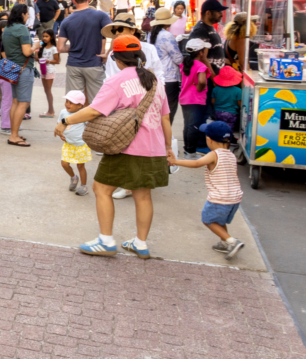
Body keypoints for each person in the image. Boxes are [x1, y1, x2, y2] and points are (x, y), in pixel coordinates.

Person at [56, 35, 173, 259]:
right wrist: (168, 147)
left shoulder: (117, 80)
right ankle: (140, 243)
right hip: (154, 147)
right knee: (143, 195)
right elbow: (165, 118)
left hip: (127, 146)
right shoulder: (154, 81)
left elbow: (94, 111)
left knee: (101, 189)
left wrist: (65, 122)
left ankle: (106, 241)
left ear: (116, 58)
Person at [169, 121, 245, 259]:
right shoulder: (231, 155)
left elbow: (197, 163)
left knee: (208, 220)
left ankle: (232, 241)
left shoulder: (215, 154)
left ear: (209, 140)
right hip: (234, 198)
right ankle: (224, 243)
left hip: (220, 198)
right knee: (219, 222)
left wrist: (175, 161)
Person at [58, 0, 112, 105]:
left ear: (73, 0)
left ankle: (76, 123)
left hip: (74, 64)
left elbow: (60, 48)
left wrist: (75, 47)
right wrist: (108, 53)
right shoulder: (100, 16)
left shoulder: (66, 21)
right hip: (94, 63)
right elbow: (116, 33)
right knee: (97, 103)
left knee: (74, 102)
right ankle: (93, 124)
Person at [2, 3, 35, 147]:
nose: (28, 16)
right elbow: (27, 52)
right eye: (27, 13)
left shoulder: (7, 28)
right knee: (23, 103)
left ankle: (13, 133)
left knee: (15, 102)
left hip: (12, 67)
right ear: (22, 14)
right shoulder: (22, 28)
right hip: (23, 68)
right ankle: (14, 136)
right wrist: (36, 46)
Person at [101, 14, 165, 84]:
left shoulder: (149, 49)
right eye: (114, 30)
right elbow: (109, 80)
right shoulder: (112, 55)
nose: (116, 33)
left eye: (120, 29)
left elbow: (159, 75)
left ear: (132, 30)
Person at [180, 38, 212, 160]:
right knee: (194, 126)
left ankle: (187, 150)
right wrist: (199, 88)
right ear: (200, 53)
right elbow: (202, 81)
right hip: (196, 100)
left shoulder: (185, 64)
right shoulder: (201, 66)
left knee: (187, 125)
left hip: (185, 99)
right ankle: (191, 152)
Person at [150, 8, 184, 124]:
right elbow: (178, 58)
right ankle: (166, 137)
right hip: (169, 78)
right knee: (169, 111)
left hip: (155, 77)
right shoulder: (167, 35)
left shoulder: (152, 34)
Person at [59, 90, 91, 196]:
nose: (67, 104)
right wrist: (61, 135)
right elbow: (60, 126)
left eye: (71, 102)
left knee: (80, 166)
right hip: (68, 144)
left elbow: (89, 127)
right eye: (67, 101)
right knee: (64, 164)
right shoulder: (63, 112)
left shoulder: (82, 115)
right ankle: (73, 178)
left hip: (81, 145)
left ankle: (84, 186)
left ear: (80, 106)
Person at [189, 0, 228, 73]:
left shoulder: (209, 27)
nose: (221, 14)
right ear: (208, 13)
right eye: (219, 12)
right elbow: (202, 58)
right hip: (208, 79)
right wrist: (213, 78)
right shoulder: (200, 30)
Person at [210, 66, 242, 131]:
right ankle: (227, 139)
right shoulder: (238, 90)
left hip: (218, 112)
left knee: (219, 129)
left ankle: (218, 140)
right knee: (228, 130)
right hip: (232, 113)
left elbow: (213, 101)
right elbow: (239, 104)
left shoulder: (215, 89)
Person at [0, 20, 12, 134]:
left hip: (4, 73)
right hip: (6, 73)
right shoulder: (2, 43)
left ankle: (9, 124)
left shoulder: (0, 42)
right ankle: (5, 126)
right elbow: (7, 59)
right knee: (7, 99)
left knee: (8, 99)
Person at [39, 29, 59, 118]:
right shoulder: (42, 47)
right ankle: (50, 110)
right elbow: (37, 58)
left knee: (48, 90)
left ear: (51, 37)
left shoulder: (54, 48)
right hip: (43, 69)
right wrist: (37, 50)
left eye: (46, 36)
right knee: (46, 90)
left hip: (50, 70)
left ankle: (51, 111)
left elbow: (57, 61)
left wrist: (48, 61)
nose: (44, 38)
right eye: (43, 36)